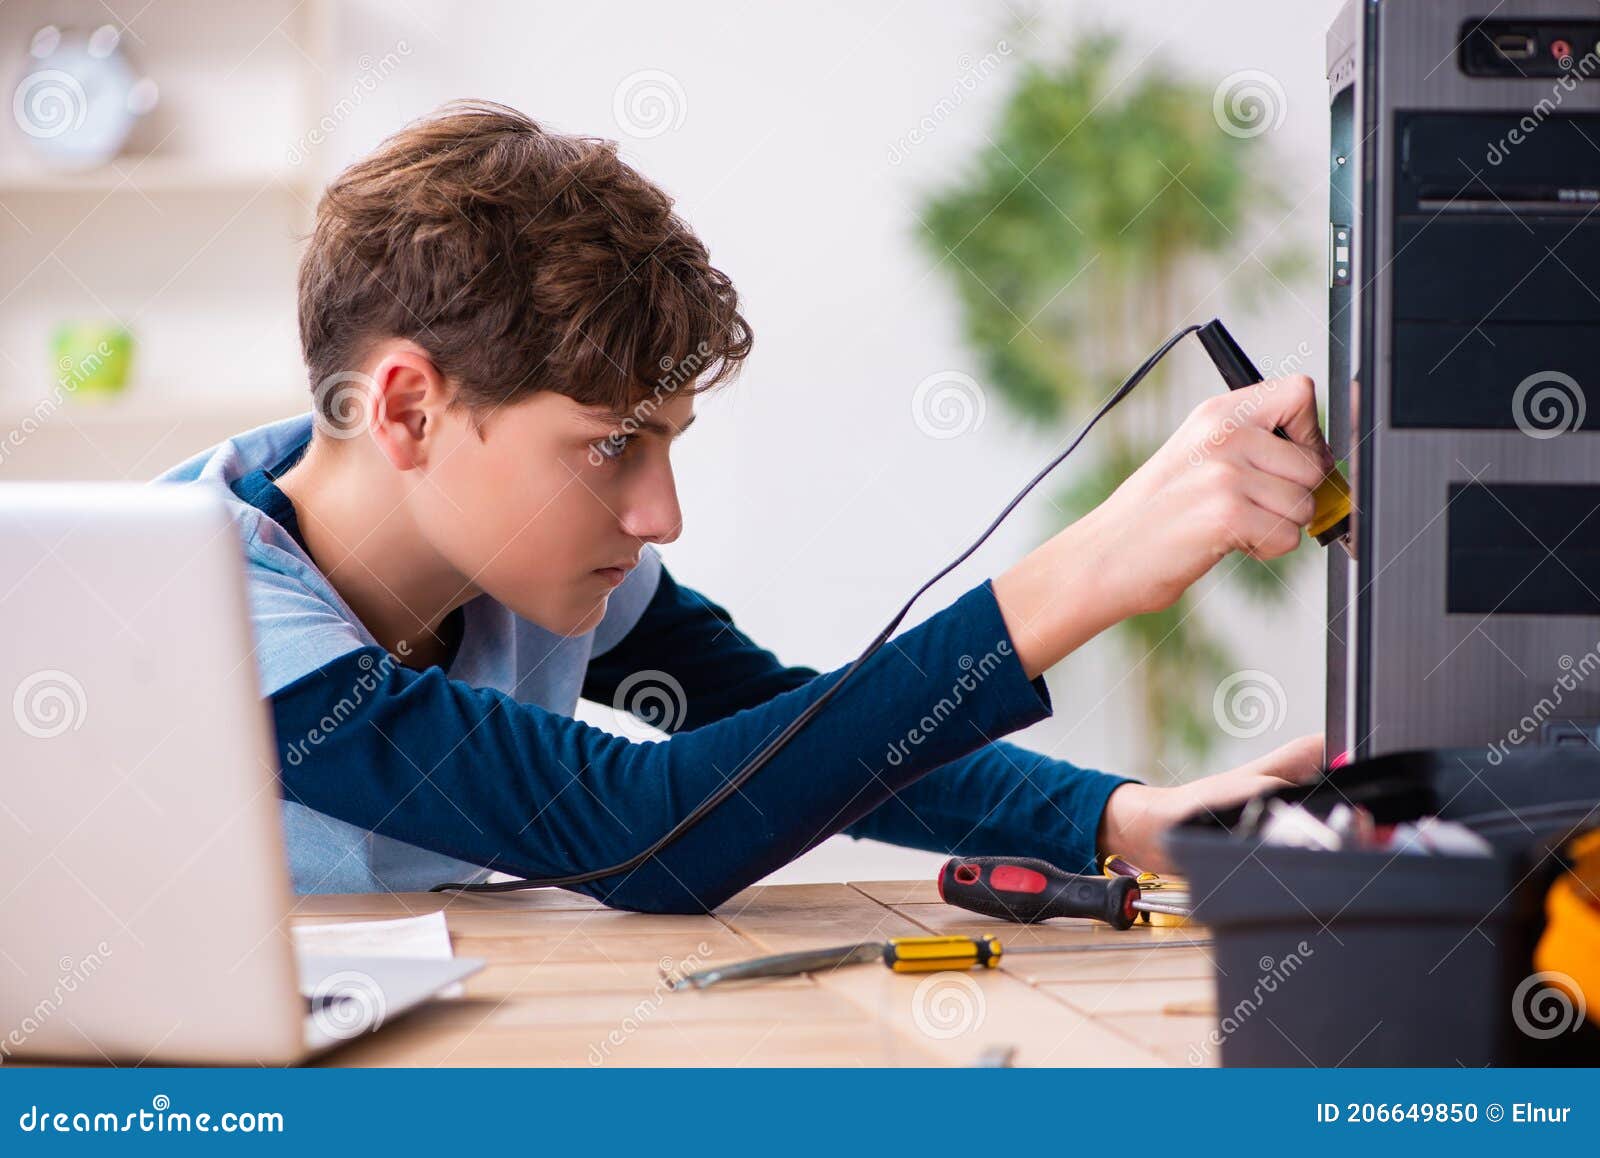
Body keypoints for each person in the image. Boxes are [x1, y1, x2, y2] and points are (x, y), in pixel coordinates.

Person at [160, 101, 1329, 912]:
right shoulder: (194, 602)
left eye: (664, 447)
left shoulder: (523, 566)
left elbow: (801, 742)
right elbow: (642, 834)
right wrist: (1086, 571)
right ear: (408, 412)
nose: (659, 515)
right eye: (610, 449)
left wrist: (1132, 819)